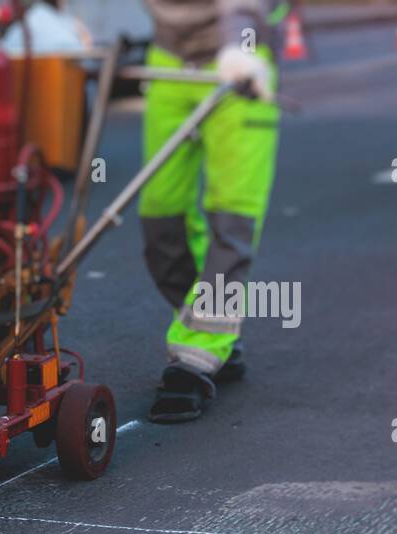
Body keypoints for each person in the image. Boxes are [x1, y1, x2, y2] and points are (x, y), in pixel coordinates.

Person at [140, 0, 286, 422]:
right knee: (160, 215)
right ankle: (217, 327)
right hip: (168, 58)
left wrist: (240, 42)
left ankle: (196, 357)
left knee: (231, 220)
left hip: (242, 60)